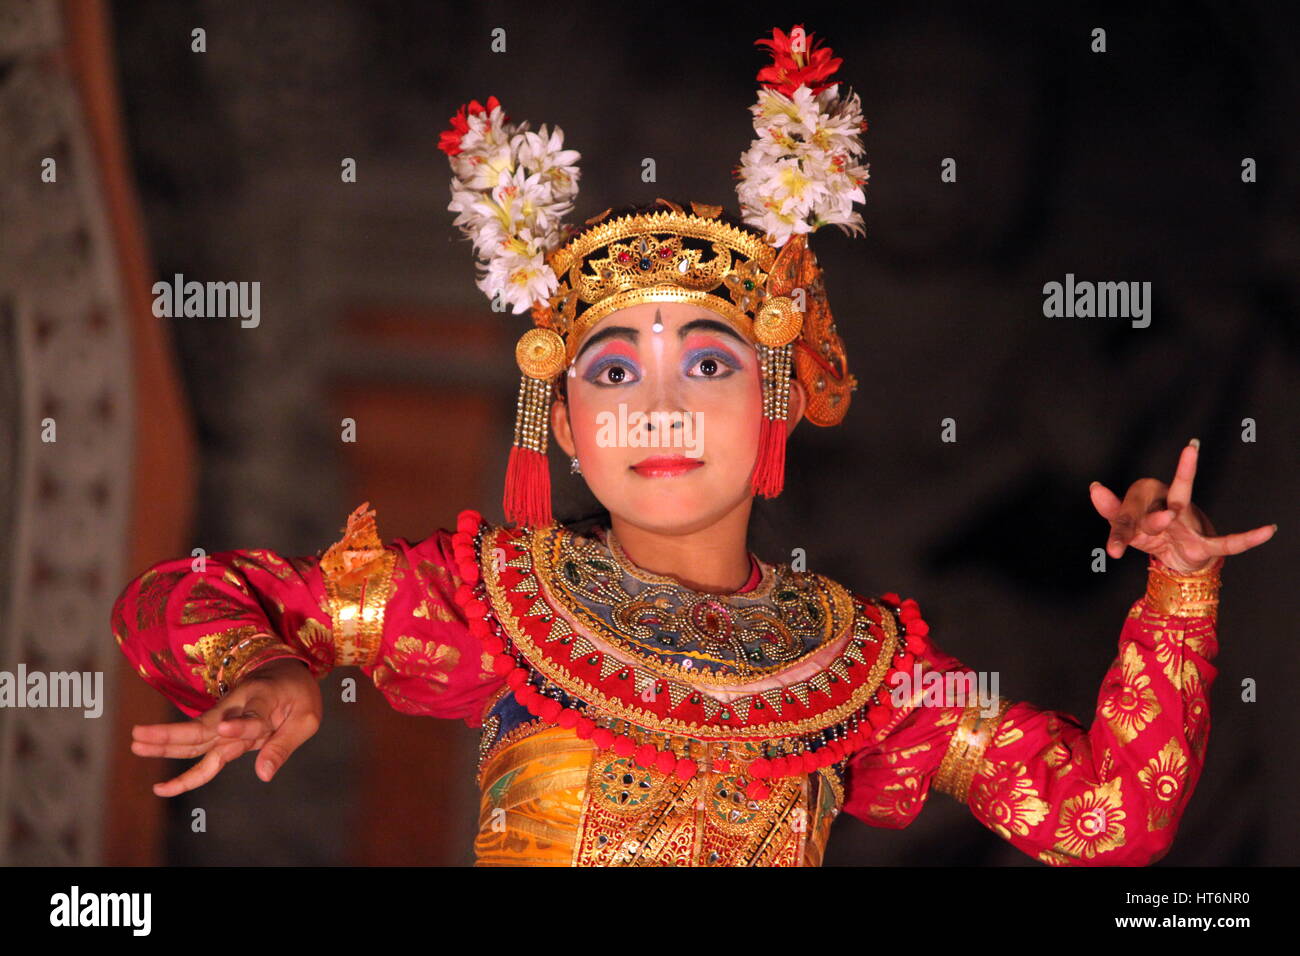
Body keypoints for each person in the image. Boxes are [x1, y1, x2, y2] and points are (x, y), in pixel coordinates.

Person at [111, 24, 1275, 866]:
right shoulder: (488, 604)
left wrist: (1177, 593)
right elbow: (181, 595)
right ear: (565, 425)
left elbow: (1104, 820)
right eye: (612, 370)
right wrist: (262, 670)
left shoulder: (859, 672)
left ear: (774, 403)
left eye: (707, 364)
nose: (658, 404)